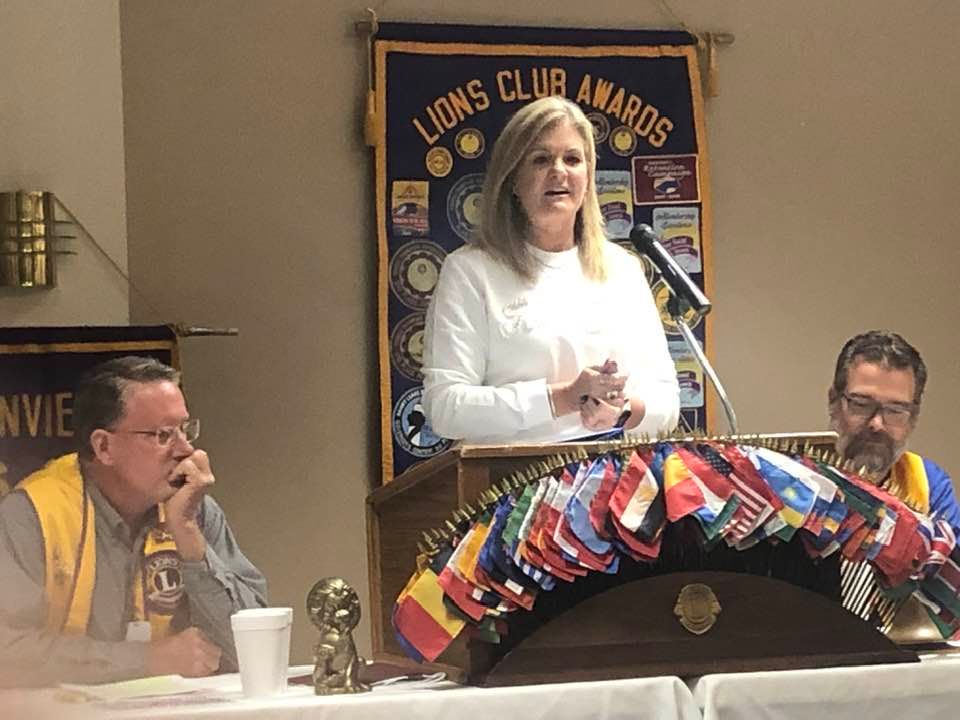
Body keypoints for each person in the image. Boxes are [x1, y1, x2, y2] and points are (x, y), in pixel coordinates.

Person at [422, 96, 680, 444]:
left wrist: (621, 411)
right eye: (541, 159)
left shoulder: (623, 270)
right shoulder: (471, 272)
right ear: (512, 179)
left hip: (612, 481)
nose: (559, 171)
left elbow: (667, 403)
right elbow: (446, 408)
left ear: (587, 178)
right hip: (505, 484)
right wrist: (561, 398)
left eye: (572, 159)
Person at [0, 356, 267, 687]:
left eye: (185, 430)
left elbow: (254, 646)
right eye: (162, 435)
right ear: (103, 446)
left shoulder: (193, 510)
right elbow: (7, 653)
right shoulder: (31, 515)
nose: (185, 450)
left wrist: (187, 534)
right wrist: (147, 660)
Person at [828, 330, 960, 531]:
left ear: (913, 417)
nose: (877, 423)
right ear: (834, 402)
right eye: (862, 404)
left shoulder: (928, 486)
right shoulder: (791, 475)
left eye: (895, 410)